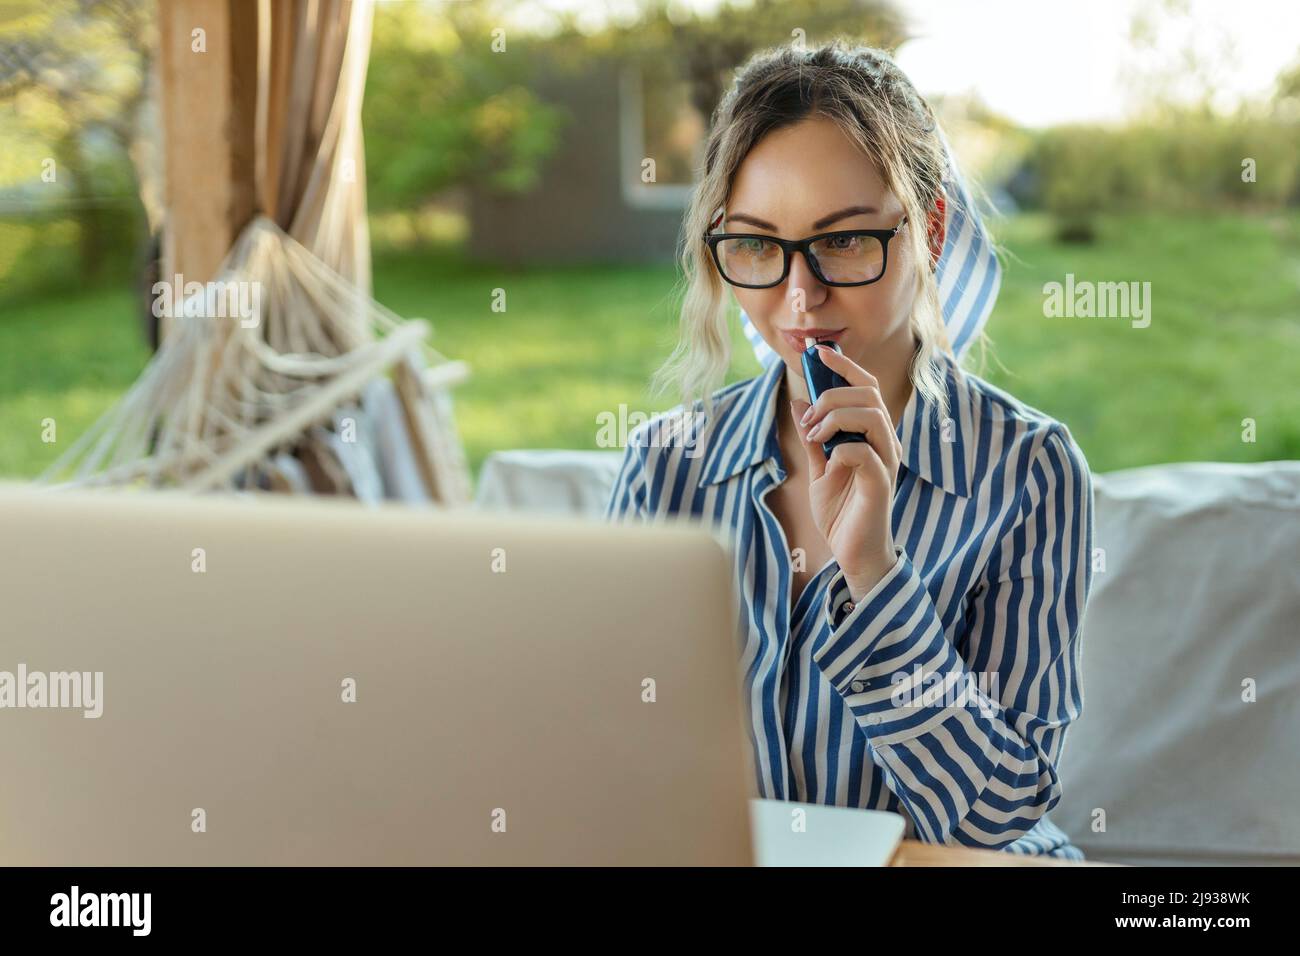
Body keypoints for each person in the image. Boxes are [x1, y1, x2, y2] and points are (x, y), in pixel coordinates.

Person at [606, 40, 1094, 858]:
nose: (801, 299)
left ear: (929, 229)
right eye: (759, 245)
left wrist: (874, 576)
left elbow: (995, 819)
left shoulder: (1030, 473)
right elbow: (608, 757)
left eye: (843, 241)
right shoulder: (665, 466)